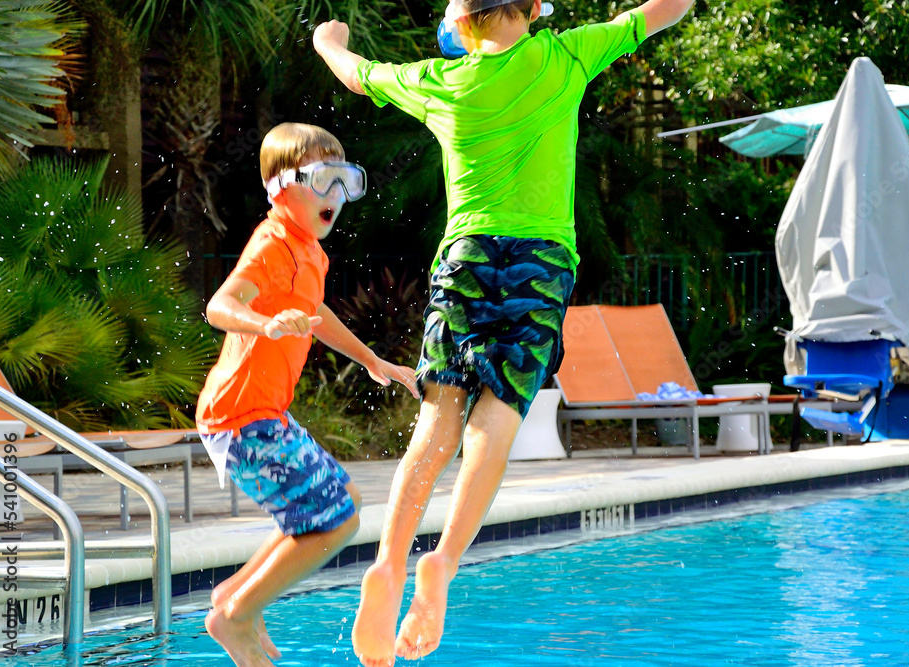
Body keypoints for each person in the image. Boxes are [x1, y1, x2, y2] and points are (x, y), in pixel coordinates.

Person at [313, 0, 695, 664]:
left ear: (460, 26)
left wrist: (328, 39)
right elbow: (662, 9)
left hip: (465, 257)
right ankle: (445, 563)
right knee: (498, 419)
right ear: (530, 10)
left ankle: (390, 562)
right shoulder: (565, 55)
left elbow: (356, 74)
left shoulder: (442, 81)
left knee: (437, 424)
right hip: (540, 266)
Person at [197, 122, 420, 667]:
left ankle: (234, 601)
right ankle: (237, 614)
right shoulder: (272, 243)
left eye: (343, 181)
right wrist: (264, 325)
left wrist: (373, 360)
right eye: (321, 179)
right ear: (279, 187)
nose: (335, 197)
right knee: (337, 521)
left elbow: (317, 317)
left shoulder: (310, 253)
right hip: (241, 416)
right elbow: (220, 306)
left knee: (343, 503)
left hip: (263, 413)